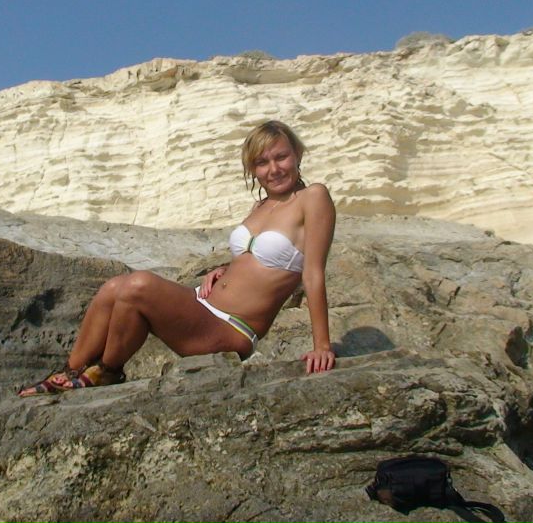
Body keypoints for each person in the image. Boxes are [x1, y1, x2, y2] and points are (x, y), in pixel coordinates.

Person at [19, 120, 337, 396]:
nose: (274, 169)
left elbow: (312, 273)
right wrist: (223, 270)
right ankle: (70, 371)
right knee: (114, 287)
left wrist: (322, 346)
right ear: (252, 169)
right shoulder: (261, 206)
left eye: (281, 156)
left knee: (139, 285)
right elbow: (258, 261)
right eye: (262, 162)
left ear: (297, 154)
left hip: (232, 328)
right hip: (203, 304)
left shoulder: (313, 197)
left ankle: (108, 370)